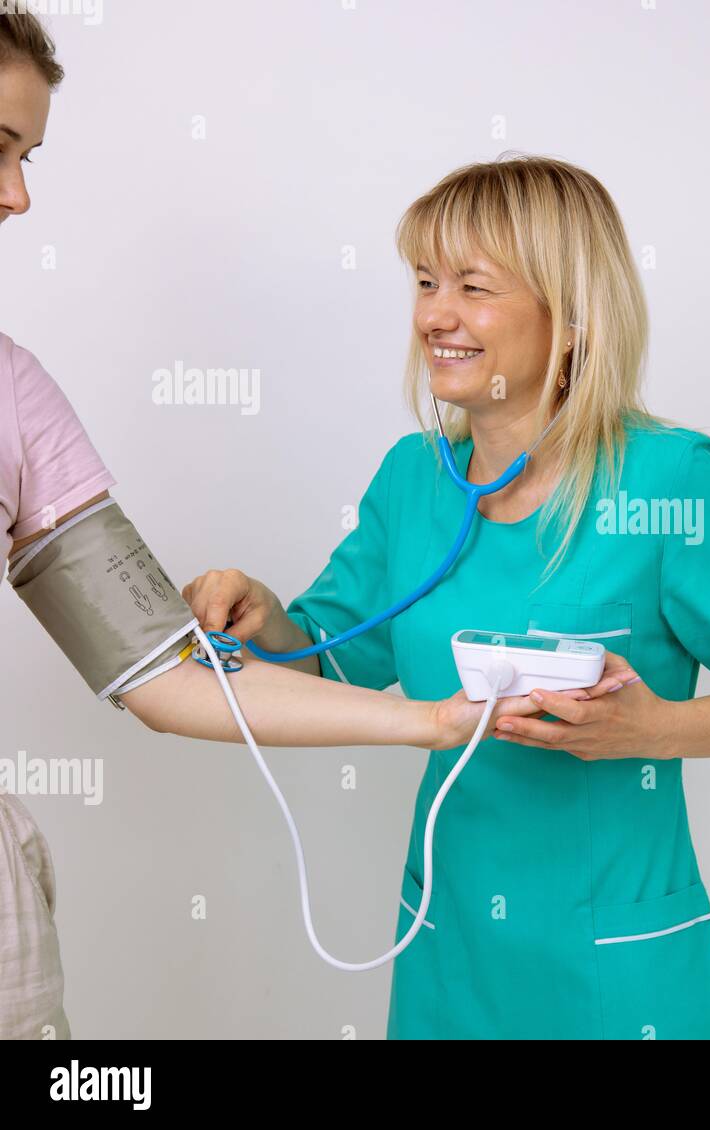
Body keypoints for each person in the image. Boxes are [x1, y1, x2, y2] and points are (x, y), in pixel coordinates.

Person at [0, 12, 593, 1041]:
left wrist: (435, 719)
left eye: (26, 153)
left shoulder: (17, 401)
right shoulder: (422, 478)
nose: (19, 194)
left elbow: (164, 673)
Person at [183, 155, 710, 1039]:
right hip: (449, 951)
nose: (435, 316)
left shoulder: (669, 480)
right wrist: (263, 616)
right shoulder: (413, 480)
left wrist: (650, 732)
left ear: (573, 318)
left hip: (617, 967)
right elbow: (333, 655)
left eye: (473, 286)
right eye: (425, 283)